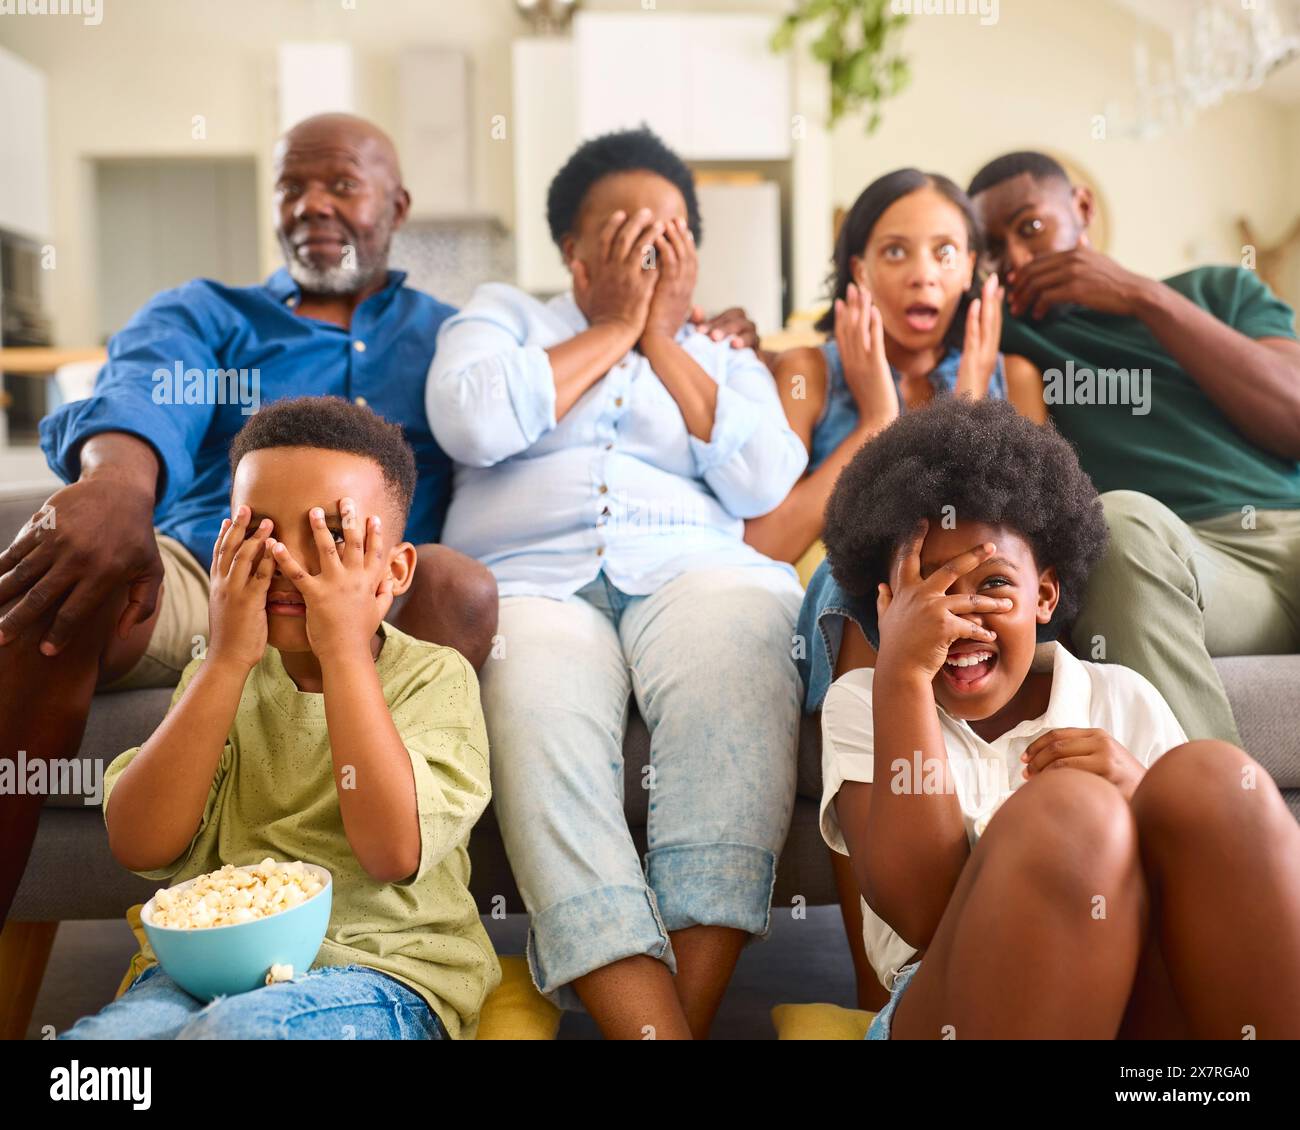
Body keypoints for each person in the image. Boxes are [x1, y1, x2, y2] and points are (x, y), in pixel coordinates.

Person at [0, 113, 497, 931]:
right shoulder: (208, 311)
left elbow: (546, 389)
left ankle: (389, 904)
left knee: (462, 583)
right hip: (214, 567)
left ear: (397, 206)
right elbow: (145, 384)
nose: (311, 204)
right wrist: (117, 485)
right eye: (291, 187)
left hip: (370, 591)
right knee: (65, 580)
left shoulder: (454, 339)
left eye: (340, 184)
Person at [426, 127, 807, 1040]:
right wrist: (610, 330)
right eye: (627, 228)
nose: (649, 247)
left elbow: (764, 478)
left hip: (698, 569)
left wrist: (662, 339)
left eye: (670, 232)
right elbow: (469, 422)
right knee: (532, 707)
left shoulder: (720, 353)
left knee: (748, 652)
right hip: (527, 582)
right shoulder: (504, 316)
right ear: (571, 249)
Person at [819, 396, 1300, 1039]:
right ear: (888, 605)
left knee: (1212, 778)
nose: (962, 614)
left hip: (1137, 1010)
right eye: (929, 586)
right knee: (1071, 811)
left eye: (993, 584)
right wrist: (902, 675)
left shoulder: (1121, 697)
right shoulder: (865, 701)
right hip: (950, 1005)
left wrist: (1141, 799)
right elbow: (923, 911)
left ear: (1045, 595)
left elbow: (1194, 888)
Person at [61, 397, 499, 1040]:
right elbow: (139, 843)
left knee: (239, 1033)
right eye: (261, 532)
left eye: (331, 533)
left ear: (396, 569)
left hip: (382, 973)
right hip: (206, 966)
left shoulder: (434, 679)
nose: (290, 562)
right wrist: (226, 660)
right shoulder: (221, 676)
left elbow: (389, 850)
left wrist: (344, 650)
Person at [968, 150, 1300, 745]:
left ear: (1082, 207)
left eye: (1030, 228)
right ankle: (1214, 819)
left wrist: (1145, 297)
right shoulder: (1005, 331)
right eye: (992, 249)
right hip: (1189, 564)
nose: (1016, 259)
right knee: (1115, 523)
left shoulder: (1219, 289)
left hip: (1292, 531)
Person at [746, 168, 1045, 575]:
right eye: (895, 252)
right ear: (859, 270)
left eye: (946, 253)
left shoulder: (1015, 379)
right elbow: (763, 546)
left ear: (969, 268)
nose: (923, 276)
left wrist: (969, 408)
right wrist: (875, 423)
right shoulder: (807, 373)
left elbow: (1031, 554)